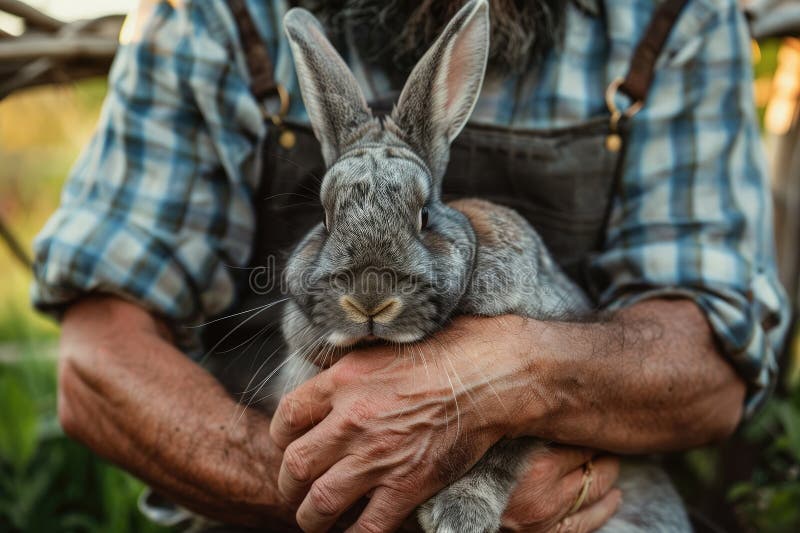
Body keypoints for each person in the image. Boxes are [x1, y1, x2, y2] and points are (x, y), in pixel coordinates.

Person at [33, 0, 788, 532]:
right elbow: (97, 360)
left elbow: (712, 357)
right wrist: (338, 487)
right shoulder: (212, 12)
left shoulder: (674, 14)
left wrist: (516, 373)